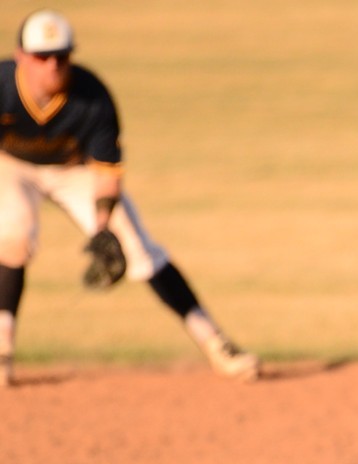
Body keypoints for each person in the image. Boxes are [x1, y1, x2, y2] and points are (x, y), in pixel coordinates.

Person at [0, 9, 258, 387]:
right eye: (42, 56)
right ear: (22, 57)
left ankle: (216, 343)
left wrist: (102, 229)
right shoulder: (3, 86)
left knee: (136, 246)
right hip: (12, 165)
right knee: (14, 237)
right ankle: (2, 352)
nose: (53, 65)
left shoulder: (92, 98)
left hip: (74, 170)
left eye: (62, 55)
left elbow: (105, 173)